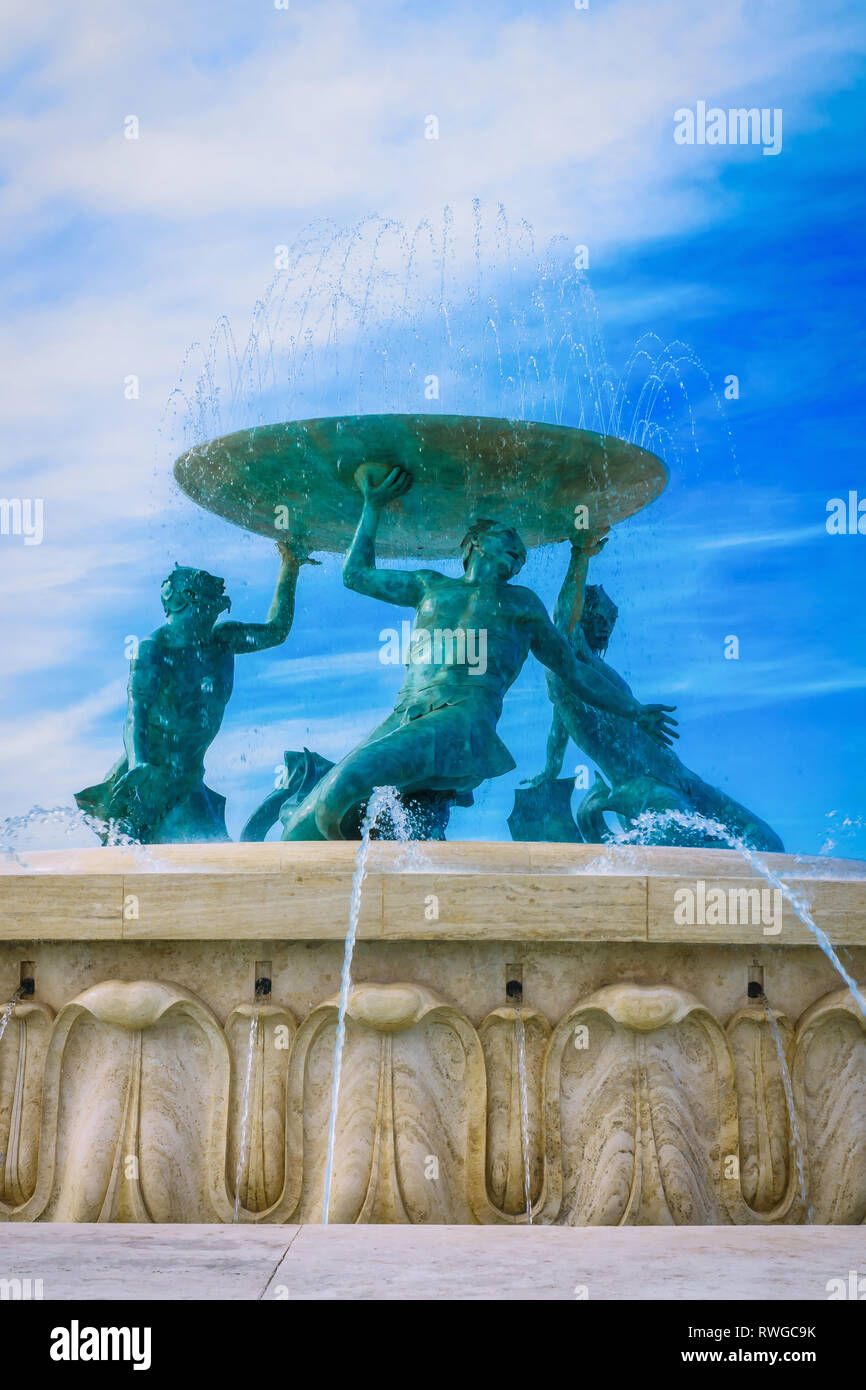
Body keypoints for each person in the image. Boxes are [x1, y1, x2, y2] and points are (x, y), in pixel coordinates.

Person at [281, 466, 677, 840]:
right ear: (474, 542)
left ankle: (363, 874)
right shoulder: (428, 586)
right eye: (508, 537)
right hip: (405, 714)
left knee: (340, 792)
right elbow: (355, 575)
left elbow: (572, 669)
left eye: (521, 550)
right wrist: (373, 502)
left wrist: (634, 710)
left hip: (463, 720)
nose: (519, 549)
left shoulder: (522, 604)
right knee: (296, 835)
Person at [526, 527, 784, 850]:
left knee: (766, 842)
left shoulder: (587, 672)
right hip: (644, 788)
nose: (607, 623)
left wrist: (551, 766)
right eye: (600, 615)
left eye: (612, 618)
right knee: (686, 854)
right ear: (582, 614)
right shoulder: (568, 659)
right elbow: (563, 625)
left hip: (680, 775)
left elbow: (560, 724)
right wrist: (580, 556)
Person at [76, 542, 314, 842]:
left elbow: (277, 631)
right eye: (205, 594)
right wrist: (139, 763)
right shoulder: (153, 649)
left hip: (188, 781)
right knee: (131, 867)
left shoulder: (225, 640)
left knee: (218, 862)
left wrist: (290, 566)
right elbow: (135, 714)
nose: (218, 603)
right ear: (183, 600)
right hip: (144, 781)